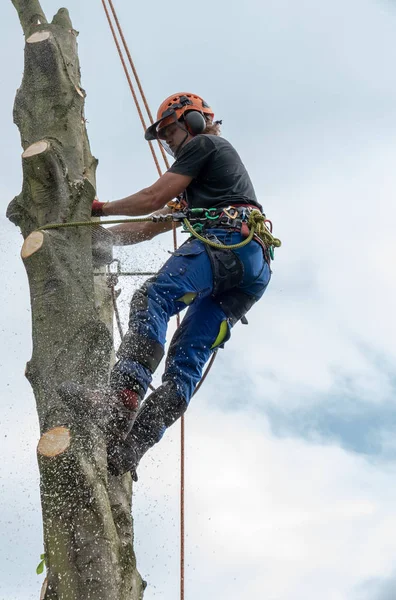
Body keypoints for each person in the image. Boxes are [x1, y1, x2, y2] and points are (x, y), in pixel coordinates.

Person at [63, 93, 273, 480]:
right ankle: (131, 448)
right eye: (164, 136)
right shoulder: (200, 187)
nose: (169, 141)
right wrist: (104, 241)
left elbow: (151, 197)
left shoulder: (206, 144)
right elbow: (148, 226)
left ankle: (122, 393)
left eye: (171, 130)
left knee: (152, 297)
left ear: (193, 121)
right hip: (250, 271)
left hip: (227, 243)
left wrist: (99, 208)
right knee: (184, 363)